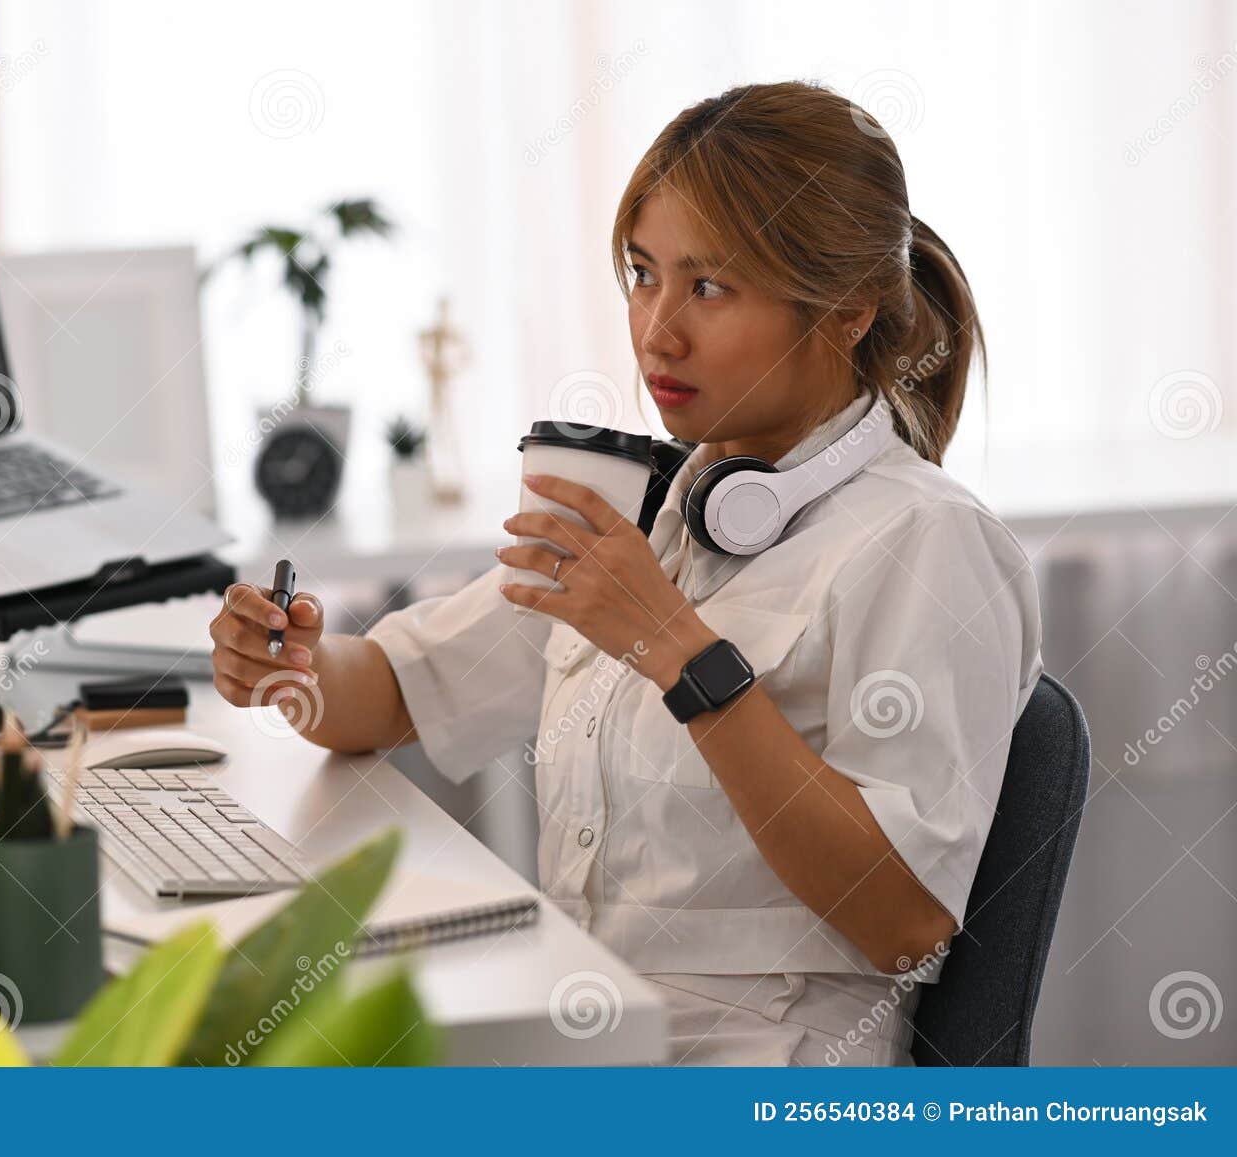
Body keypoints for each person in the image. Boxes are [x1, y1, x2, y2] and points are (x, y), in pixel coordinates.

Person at [207, 80, 1041, 1066]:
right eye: (643, 274)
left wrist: (675, 649)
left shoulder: (927, 543)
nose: (657, 331)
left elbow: (902, 919)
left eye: (710, 287)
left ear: (849, 310)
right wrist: (292, 662)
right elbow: (393, 694)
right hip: (582, 1034)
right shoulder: (654, 507)